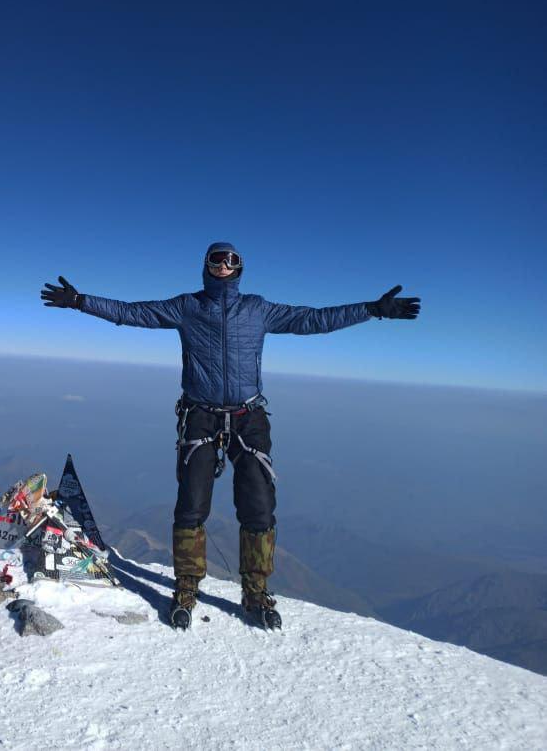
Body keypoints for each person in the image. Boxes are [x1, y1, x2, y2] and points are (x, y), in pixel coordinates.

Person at [40, 242, 420, 629]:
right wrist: (80, 301)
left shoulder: (257, 309)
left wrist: (372, 310)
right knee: (191, 506)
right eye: (217, 258)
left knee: (258, 507)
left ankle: (255, 593)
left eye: (232, 259)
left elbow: (314, 319)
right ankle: (186, 588)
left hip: (248, 416)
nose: (225, 264)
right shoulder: (188, 306)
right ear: (205, 265)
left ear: (241, 268)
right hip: (201, 416)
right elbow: (131, 313)